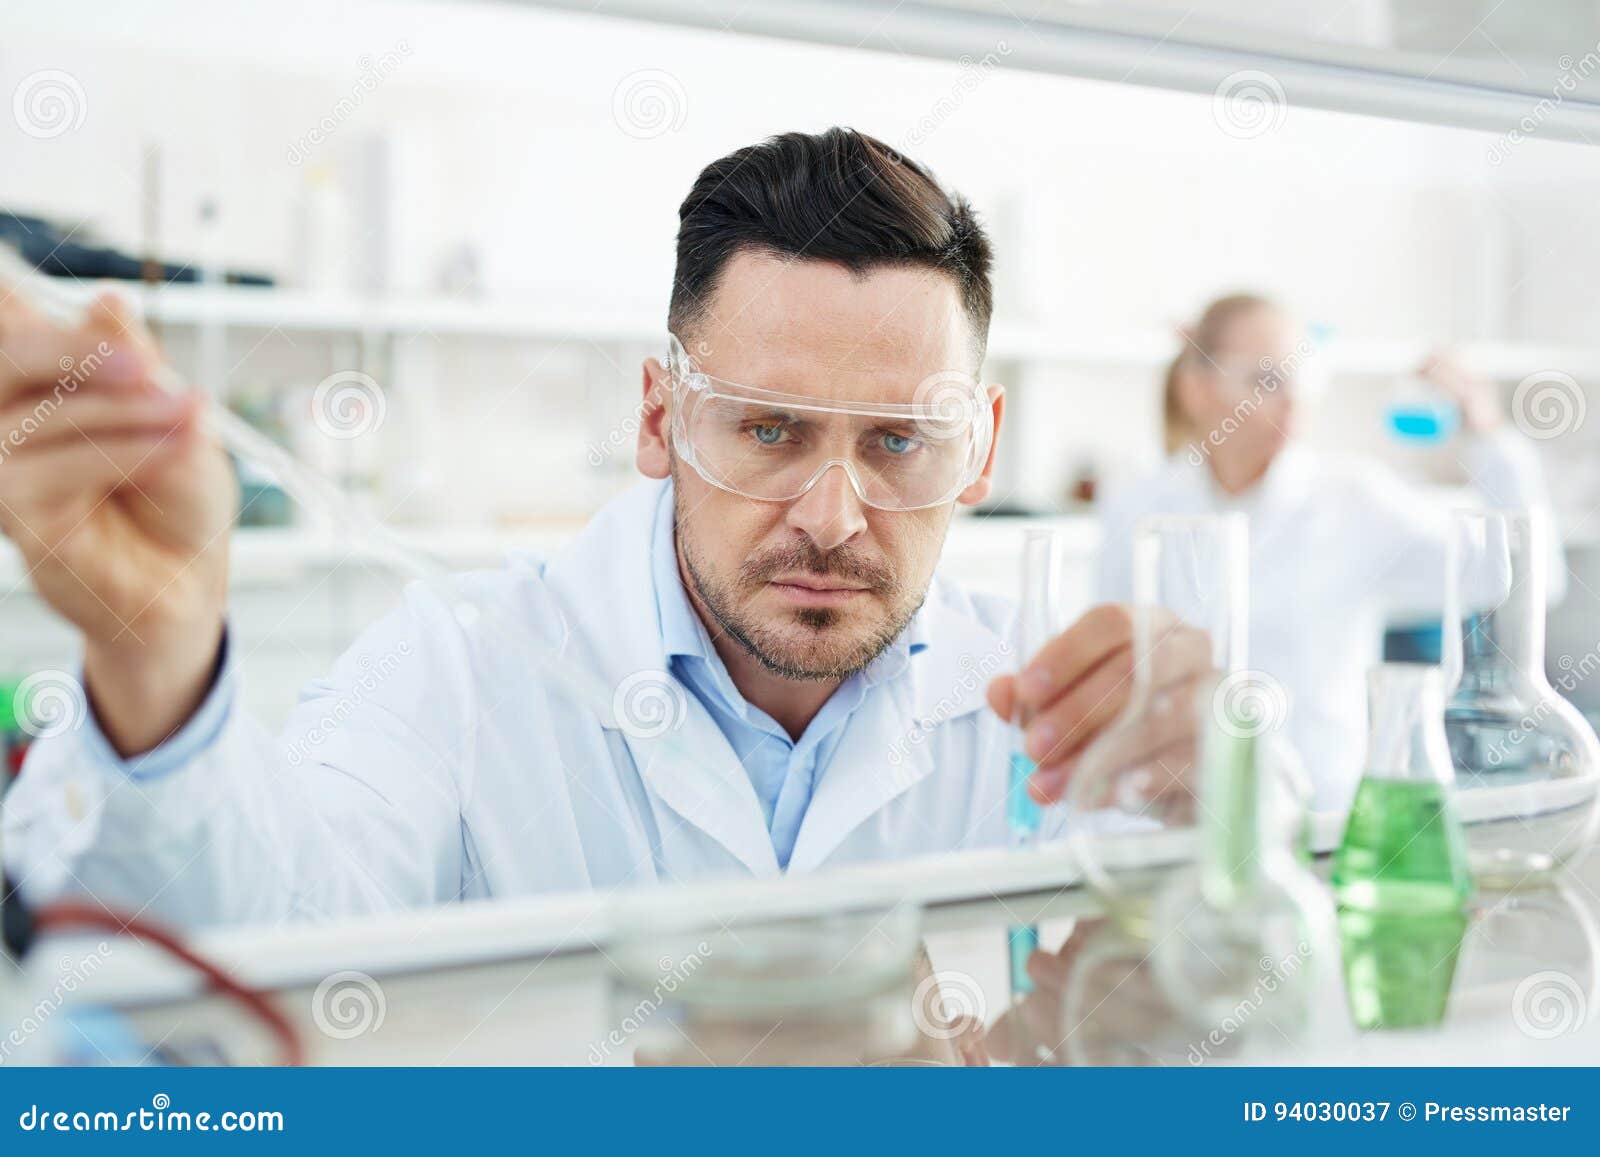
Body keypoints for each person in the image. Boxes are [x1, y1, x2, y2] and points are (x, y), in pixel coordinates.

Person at [0, 128, 1207, 928]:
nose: (833, 518)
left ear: (980, 450)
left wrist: (1220, 793)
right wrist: (152, 655)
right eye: (770, 430)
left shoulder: (1051, 707)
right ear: (657, 414)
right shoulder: (459, 666)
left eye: (898, 441)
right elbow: (254, 936)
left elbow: (1246, 986)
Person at [1094, 292, 1559, 810]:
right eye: (1264, 380)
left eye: (1300, 376)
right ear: (1197, 388)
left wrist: (1486, 430)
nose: (1292, 399)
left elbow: (1515, 576)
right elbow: (1114, 665)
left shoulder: (1354, 500)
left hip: (1322, 824)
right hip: (1175, 818)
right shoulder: (1141, 502)